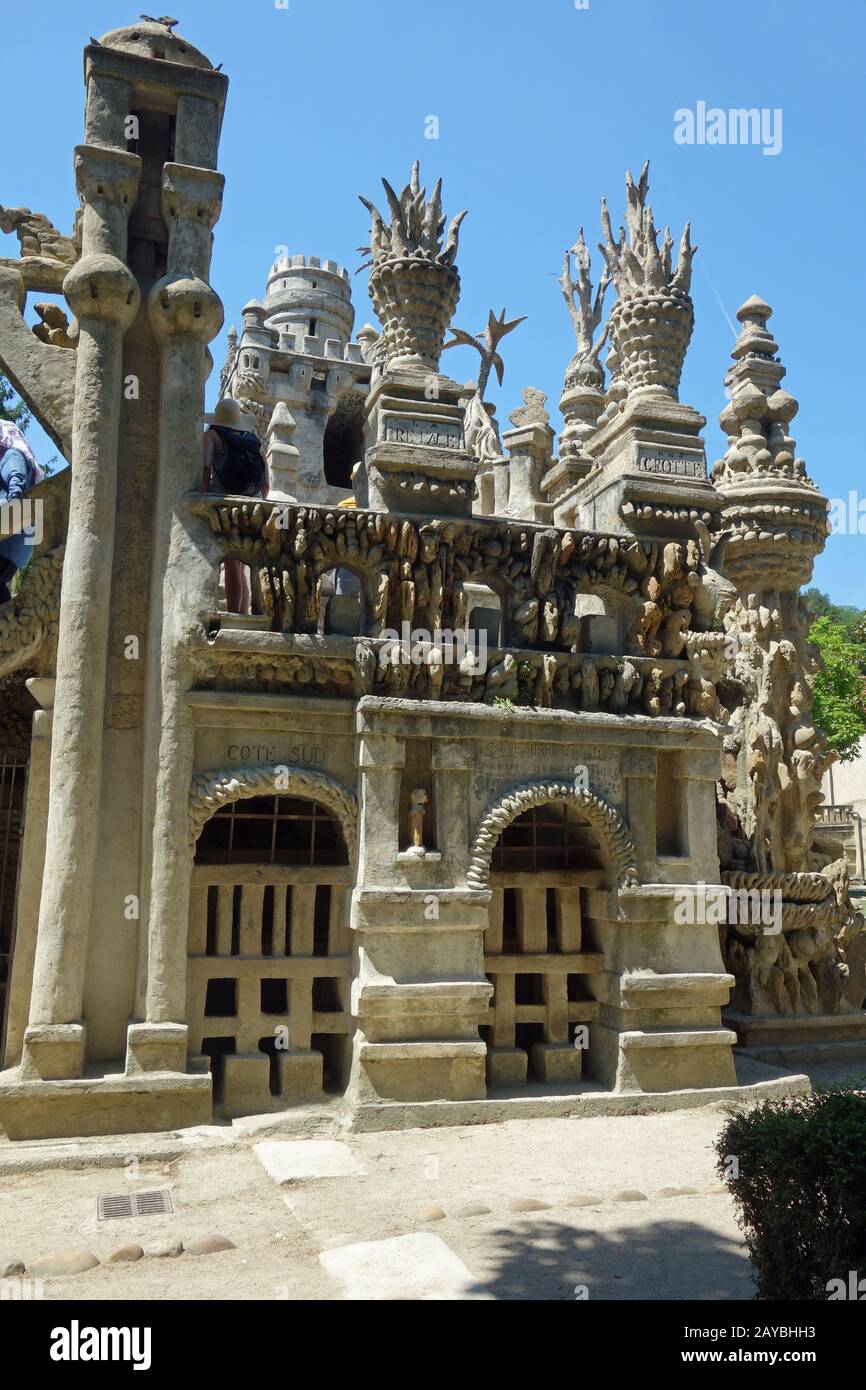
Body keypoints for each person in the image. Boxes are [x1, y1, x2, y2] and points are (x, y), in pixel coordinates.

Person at [202, 397, 269, 615]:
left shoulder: (211, 435)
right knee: (241, 562)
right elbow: (266, 482)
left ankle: (234, 615)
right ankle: (243, 612)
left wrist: (204, 498)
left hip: (227, 504)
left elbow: (205, 468)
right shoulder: (252, 440)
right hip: (253, 504)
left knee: (231, 562)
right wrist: (259, 501)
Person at [0, 420, 44, 602]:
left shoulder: (12, 454)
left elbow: (15, 477)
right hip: (16, 550)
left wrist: (12, 503)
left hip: (8, 540)